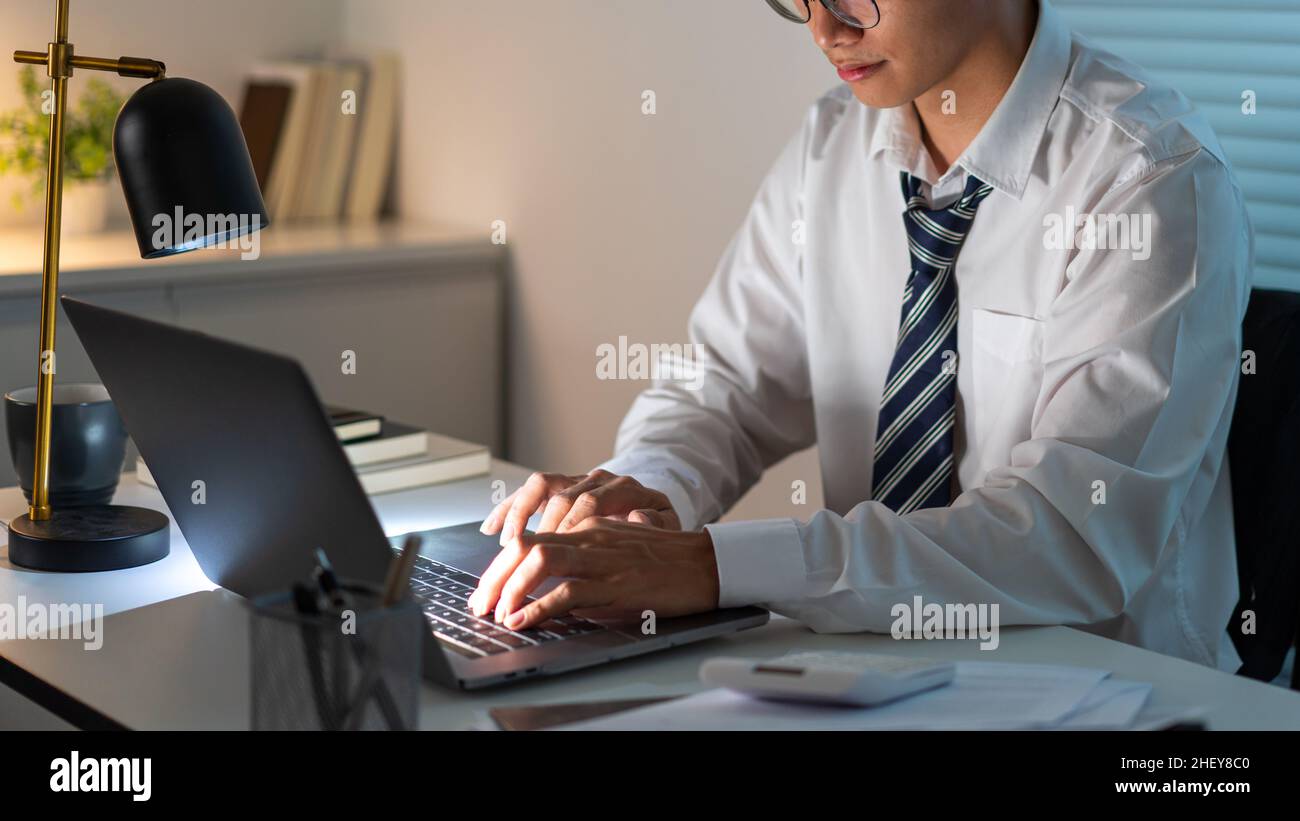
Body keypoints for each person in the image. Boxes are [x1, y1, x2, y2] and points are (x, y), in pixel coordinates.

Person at [470, 0, 1253, 669]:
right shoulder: (834, 145)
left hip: (1112, 693)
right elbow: (725, 386)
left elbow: (1067, 537)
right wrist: (646, 492)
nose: (824, 28)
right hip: (870, 673)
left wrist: (716, 566)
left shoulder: (1154, 180)